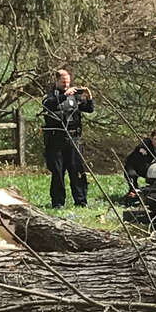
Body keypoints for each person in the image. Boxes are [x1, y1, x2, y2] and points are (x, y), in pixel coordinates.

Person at [42, 68, 94, 208]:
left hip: (74, 140)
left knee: (77, 171)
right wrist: (64, 95)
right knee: (58, 173)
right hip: (56, 141)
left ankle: (81, 201)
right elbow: (48, 105)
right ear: (57, 81)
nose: (66, 84)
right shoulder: (50, 96)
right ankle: (58, 202)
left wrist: (89, 98)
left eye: (68, 82)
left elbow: (88, 109)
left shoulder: (75, 97)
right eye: (63, 82)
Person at [123, 129, 156, 201]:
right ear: (151, 138)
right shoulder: (144, 144)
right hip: (134, 165)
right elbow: (139, 150)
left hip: (149, 168)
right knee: (132, 177)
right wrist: (142, 150)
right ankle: (132, 193)